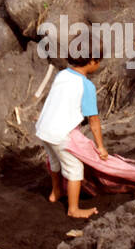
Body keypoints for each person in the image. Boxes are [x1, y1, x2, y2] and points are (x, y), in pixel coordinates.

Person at [35, 53, 108, 219]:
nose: (98, 65)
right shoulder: (86, 85)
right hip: (61, 133)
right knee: (74, 168)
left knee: (54, 160)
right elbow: (93, 119)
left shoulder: (63, 74)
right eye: (98, 62)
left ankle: (56, 192)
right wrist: (100, 147)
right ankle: (73, 209)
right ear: (91, 62)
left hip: (44, 128)